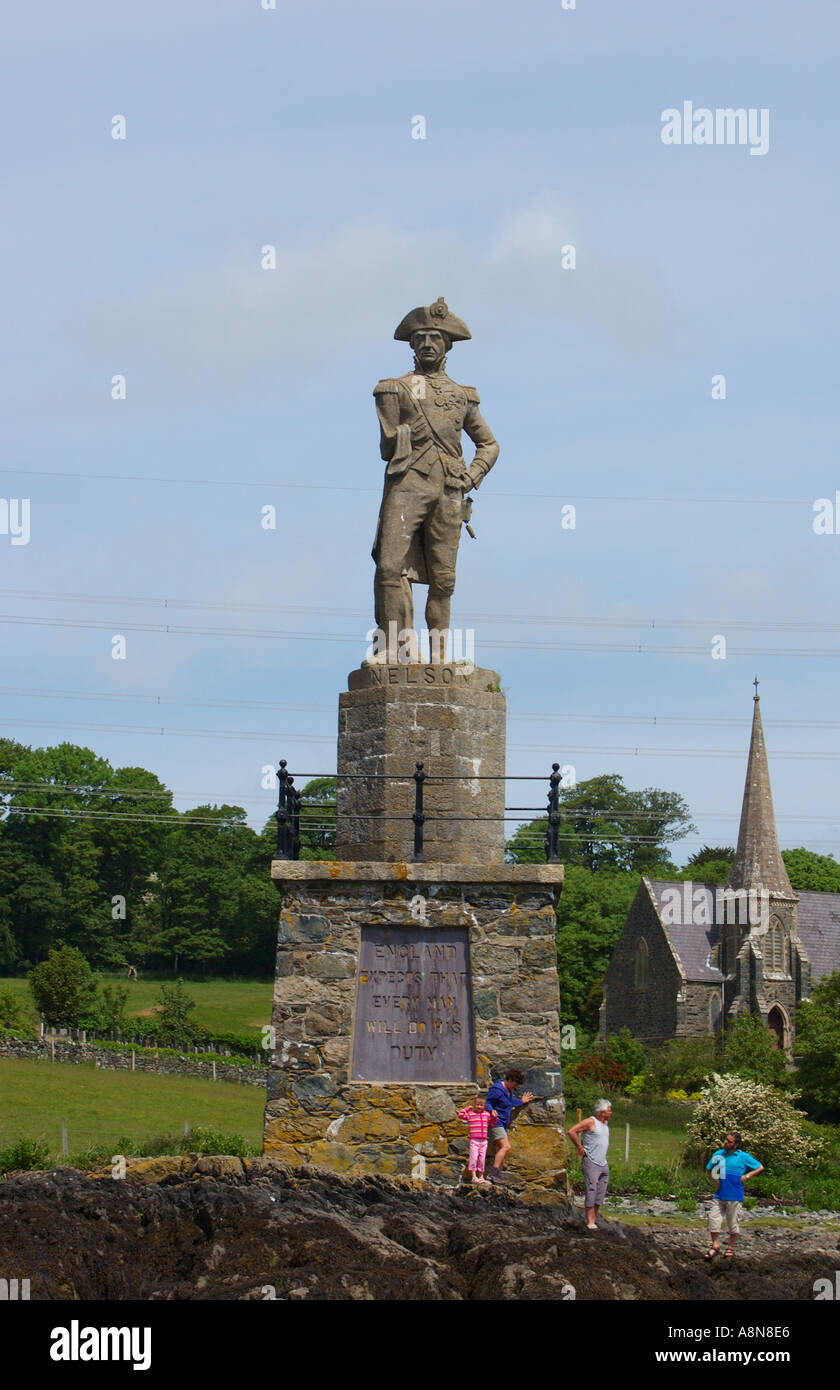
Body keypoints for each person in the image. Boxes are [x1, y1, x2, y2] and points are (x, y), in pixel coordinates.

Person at [368, 297, 499, 663]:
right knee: (390, 567)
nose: (428, 344)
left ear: (447, 345)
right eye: (421, 337)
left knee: (444, 581)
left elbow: (488, 444)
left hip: (449, 490)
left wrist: (471, 476)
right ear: (412, 344)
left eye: (435, 338)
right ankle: (394, 651)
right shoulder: (393, 389)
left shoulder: (463, 396)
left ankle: (440, 658)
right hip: (407, 484)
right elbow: (386, 445)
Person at [704, 1131, 764, 1260]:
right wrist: (715, 1182)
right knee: (713, 1219)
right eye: (726, 1140)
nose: (726, 1143)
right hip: (720, 1194)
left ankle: (730, 1247)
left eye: (729, 1141)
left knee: (732, 1222)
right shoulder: (719, 1154)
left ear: (736, 1144)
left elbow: (760, 1167)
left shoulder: (743, 1156)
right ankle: (715, 1245)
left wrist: (746, 1176)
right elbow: (709, 1168)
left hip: (735, 1195)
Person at [484, 1068, 535, 1184]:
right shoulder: (497, 1089)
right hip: (496, 1122)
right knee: (506, 1147)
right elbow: (487, 1102)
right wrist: (491, 1110)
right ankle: (493, 1173)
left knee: (499, 1148)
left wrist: (522, 1101)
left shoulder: (508, 1091)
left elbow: (510, 1102)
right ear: (510, 1080)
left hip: (503, 1123)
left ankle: (498, 1177)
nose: (515, 1087)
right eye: (515, 1084)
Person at [568, 1099, 612, 1230]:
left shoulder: (605, 1123)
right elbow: (572, 1131)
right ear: (602, 1111)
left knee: (600, 1192)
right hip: (591, 1161)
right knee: (591, 1189)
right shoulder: (590, 1122)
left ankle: (594, 1218)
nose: (611, 1112)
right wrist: (579, 1147)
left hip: (603, 1162)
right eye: (609, 1110)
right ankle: (590, 1221)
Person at [458, 1095, 498, 1185]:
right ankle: (473, 1176)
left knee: (482, 1159)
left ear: (484, 1106)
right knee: (474, 1158)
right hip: (474, 1140)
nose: (479, 1106)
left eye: (481, 1105)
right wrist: (468, 1108)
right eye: (477, 1104)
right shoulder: (471, 1114)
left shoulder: (486, 1115)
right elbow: (460, 1114)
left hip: (484, 1141)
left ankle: (481, 1176)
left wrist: (495, 1117)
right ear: (474, 1105)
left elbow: (491, 1124)